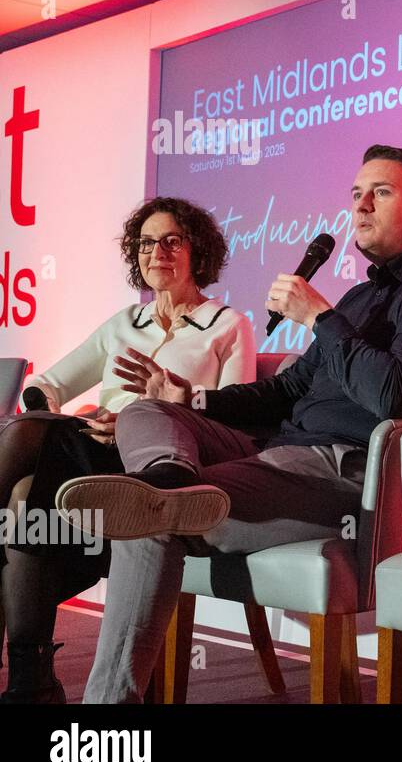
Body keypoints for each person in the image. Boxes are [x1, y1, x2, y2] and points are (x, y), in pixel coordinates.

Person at [57, 144, 402, 703]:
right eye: (356, 194)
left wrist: (321, 318)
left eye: (379, 192)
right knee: (149, 410)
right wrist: (196, 401)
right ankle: (167, 479)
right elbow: (286, 389)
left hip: (344, 474)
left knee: (145, 516)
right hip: (277, 455)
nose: (360, 206)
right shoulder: (360, 297)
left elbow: (394, 395)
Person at [0, 197, 255, 703]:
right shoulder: (124, 323)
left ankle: (34, 682)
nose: (155, 252)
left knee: (29, 482)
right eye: (145, 243)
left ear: (196, 251)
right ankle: (30, 683)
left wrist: (160, 408)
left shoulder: (227, 326)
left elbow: (236, 420)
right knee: (27, 476)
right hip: (87, 454)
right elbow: (46, 386)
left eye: (171, 241)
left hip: (156, 468)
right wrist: (79, 418)